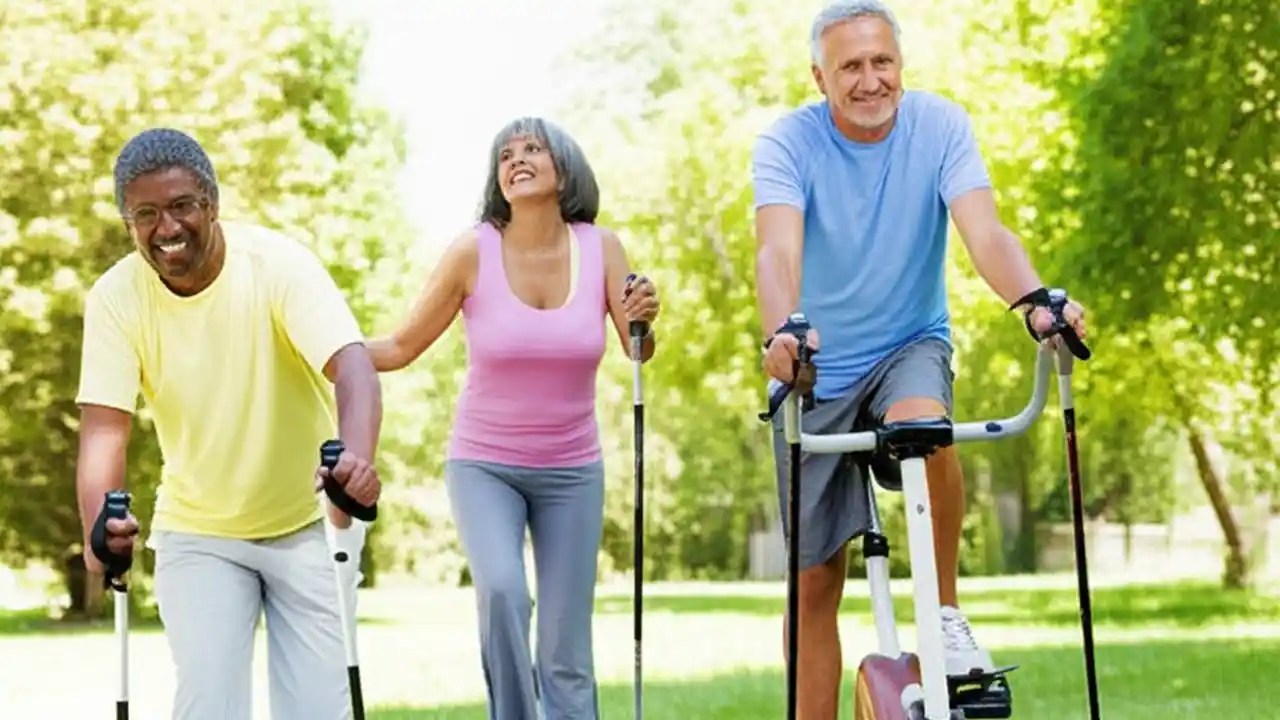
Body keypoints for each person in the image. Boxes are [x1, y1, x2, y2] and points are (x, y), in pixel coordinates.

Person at [751, 1, 1088, 718]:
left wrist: (1034, 300)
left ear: (900, 67)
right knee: (814, 584)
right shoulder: (787, 143)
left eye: (882, 63)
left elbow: (984, 231)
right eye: (851, 66)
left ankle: (942, 612)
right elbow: (776, 250)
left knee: (924, 424)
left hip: (909, 341)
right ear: (820, 76)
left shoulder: (940, 126)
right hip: (816, 364)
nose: (870, 80)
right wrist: (783, 334)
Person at [74, 127, 383, 720]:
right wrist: (99, 532)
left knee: (318, 711)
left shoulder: (278, 265)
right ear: (128, 223)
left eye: (182, 206)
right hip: (200, 533)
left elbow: (355, 370)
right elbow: (104, 430)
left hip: (308, 525)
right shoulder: (116, 298)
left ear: (211, 204)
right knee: (208, 704)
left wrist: (356, 465)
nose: (167, 228)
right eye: (146, 213)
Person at [365, 116, 660, 720]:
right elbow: (398, 348)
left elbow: (636, 350)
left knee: (564, 644)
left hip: (573, 471)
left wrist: (643, 319)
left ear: (564, 169)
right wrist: (319, 346)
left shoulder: (598, 246)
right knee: (502, 594)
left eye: (532, 148)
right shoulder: (473, 250)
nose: (516, 159)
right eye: (505, 153)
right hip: (485, 465)